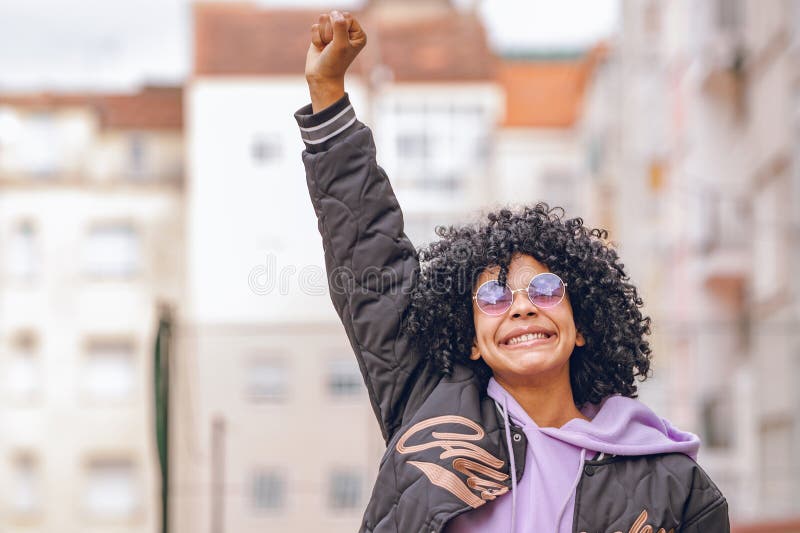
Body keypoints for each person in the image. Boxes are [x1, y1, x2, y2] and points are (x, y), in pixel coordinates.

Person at [296, 10, 730, 533]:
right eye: (494, 298)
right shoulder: (428, 401)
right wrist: (328, 95)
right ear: (473, 339)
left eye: (545, 289)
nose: (521, 305)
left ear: (584, 323)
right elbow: (371, 260)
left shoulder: (673, 483)